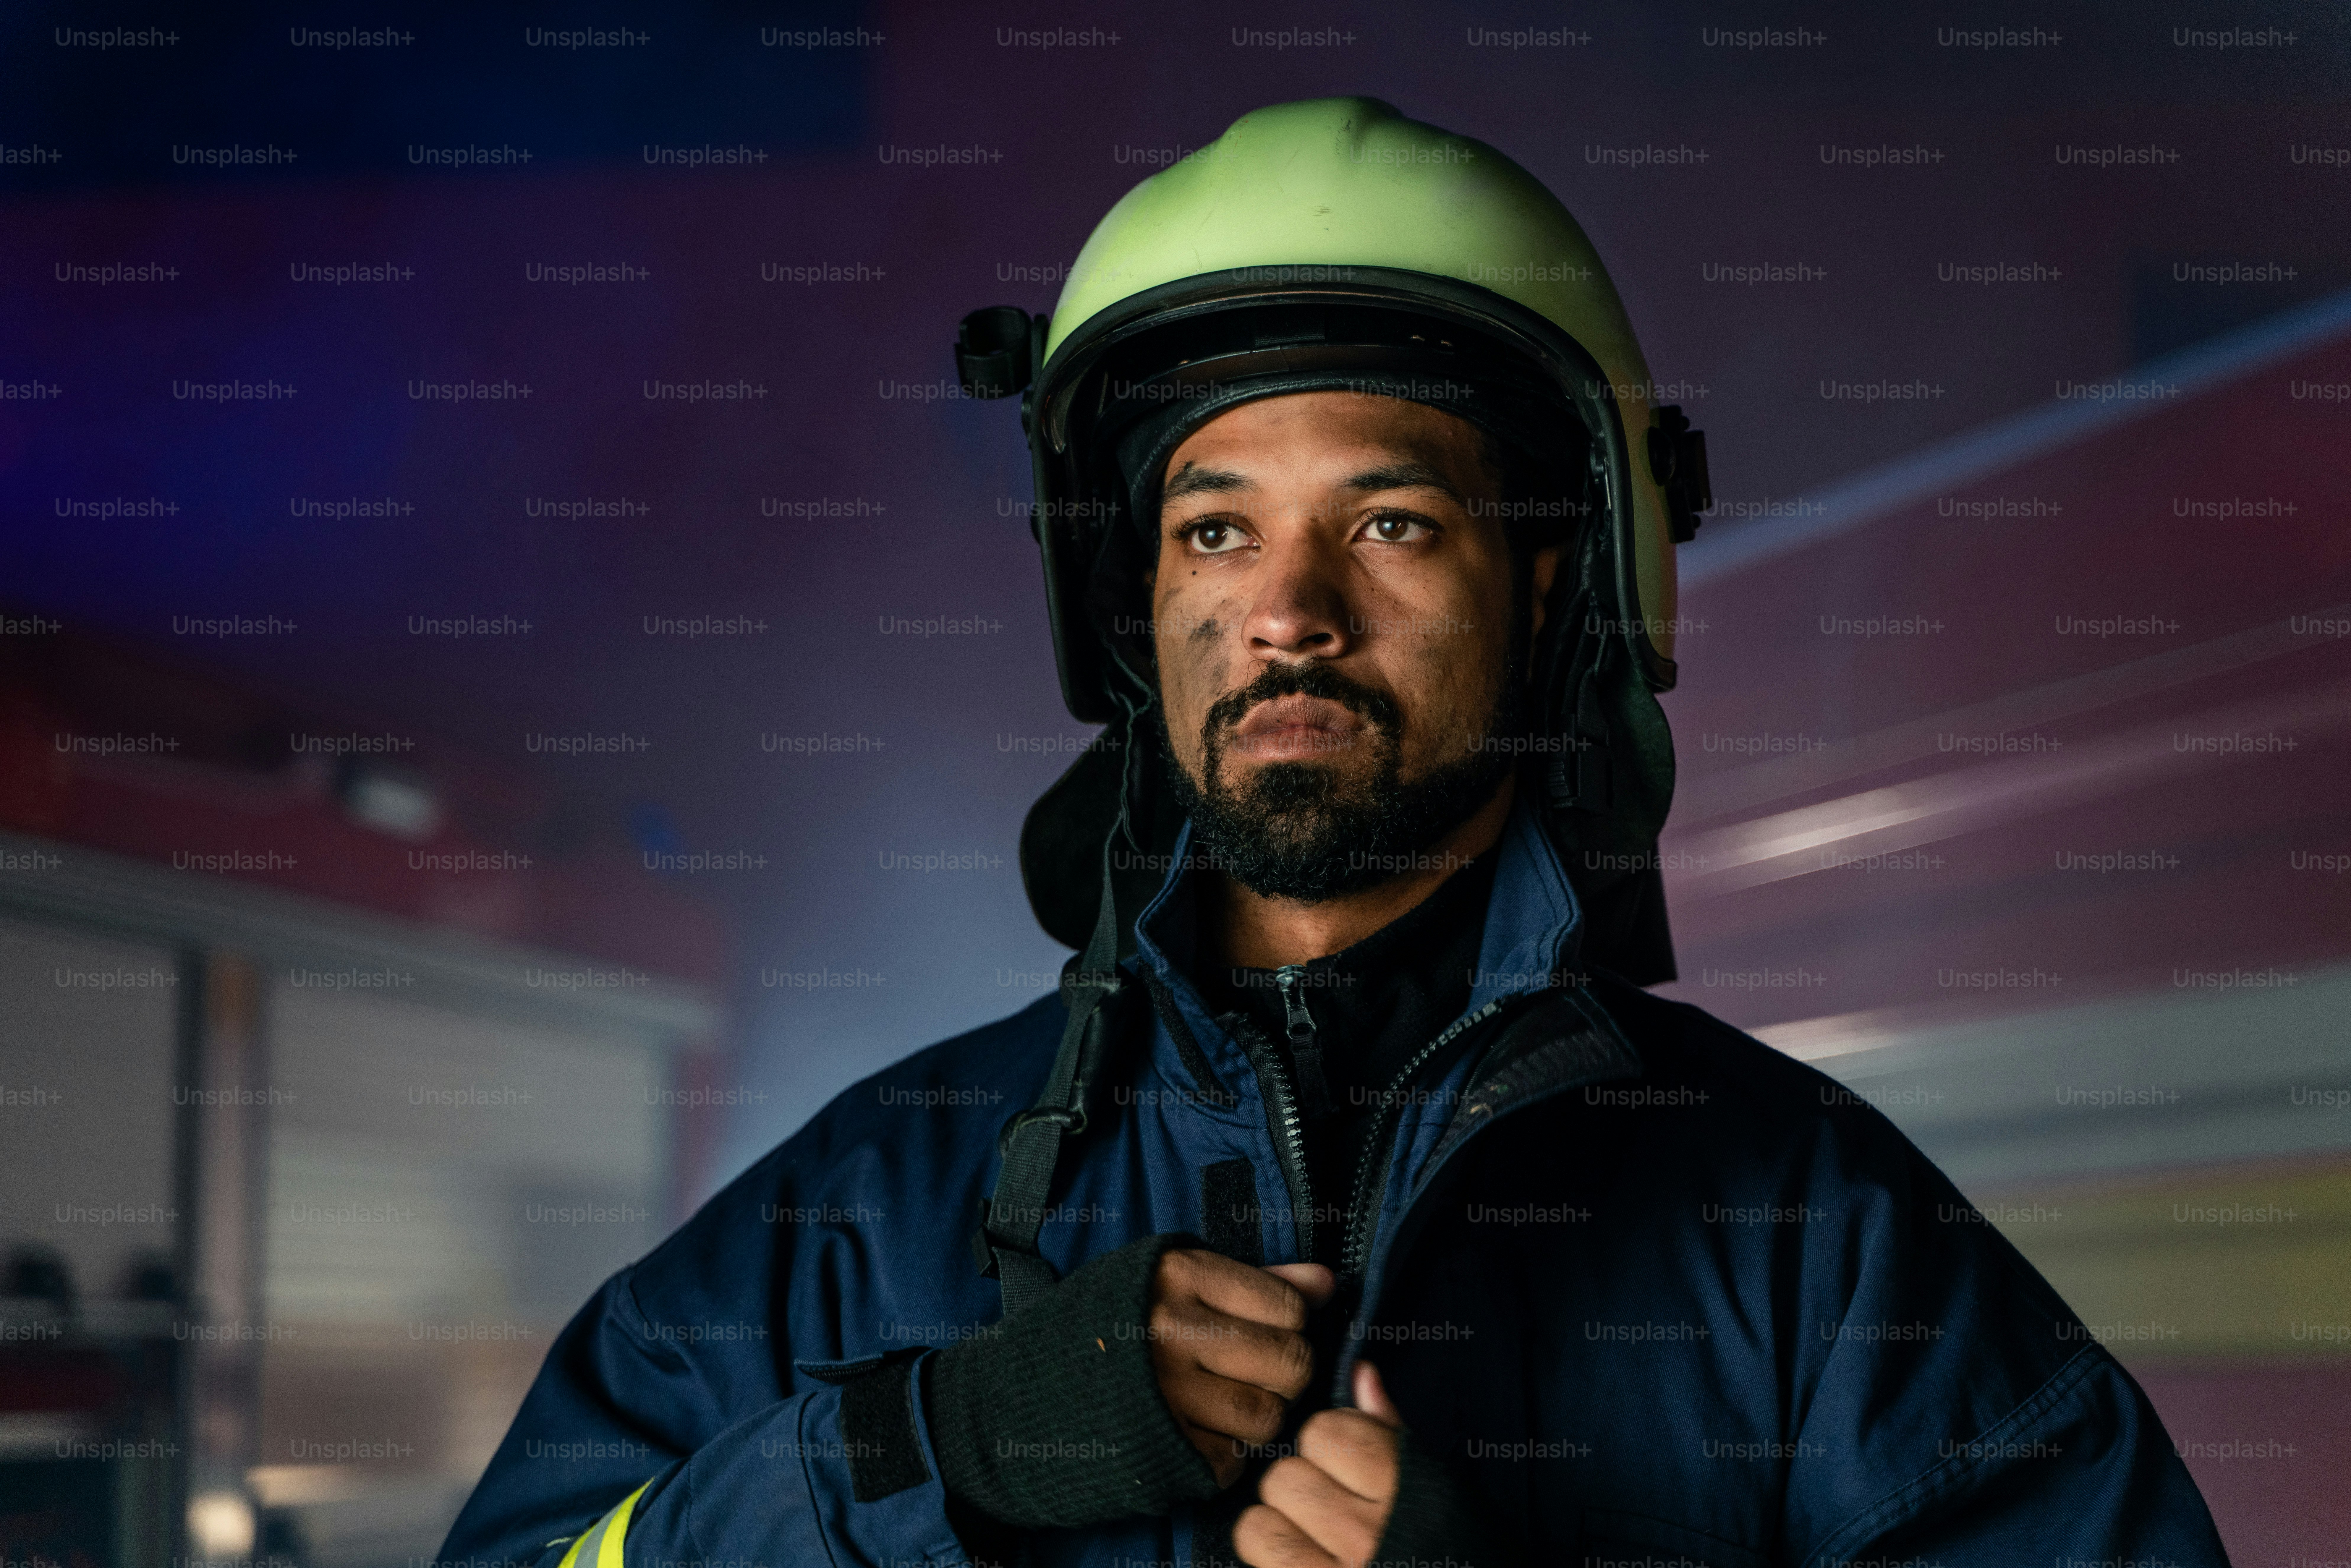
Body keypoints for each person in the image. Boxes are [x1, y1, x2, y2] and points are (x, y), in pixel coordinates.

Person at [439, 97, 2224, 1568]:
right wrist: (924, 1450)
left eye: (1386, 522)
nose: (1286, 608)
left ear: (1558, 580)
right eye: (1215, 530)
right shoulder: (856, 1214)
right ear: (1129, 600)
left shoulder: (1809, 1237)